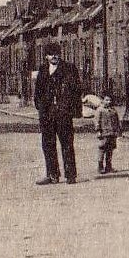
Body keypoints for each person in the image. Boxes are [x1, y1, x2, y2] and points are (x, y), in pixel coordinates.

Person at [33, 47, 83, 185]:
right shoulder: (43, 70)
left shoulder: (69, 68)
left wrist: (72, 109)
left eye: (56, 54)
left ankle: (70, 175)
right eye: (50, 54)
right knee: (48, 144)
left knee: (67, 144)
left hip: (63, 113)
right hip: (47, 114)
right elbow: (38, 91)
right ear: (46, 56)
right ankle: (52, 175)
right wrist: (41, 107)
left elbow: (77, 89)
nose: (54, 56)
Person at [95, 94, 123, 175]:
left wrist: (118, 130)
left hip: (112, 132)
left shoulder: (113, 110)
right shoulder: (100, 110)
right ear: (102, 100)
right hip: (104, 133)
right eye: (107, 100)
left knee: (110, 150)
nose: (109, 102)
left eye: (110, 100)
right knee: (102, 149)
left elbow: (117, 121)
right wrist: (98, 131)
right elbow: (97, 121)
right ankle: (100, 167)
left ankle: (108, 166)